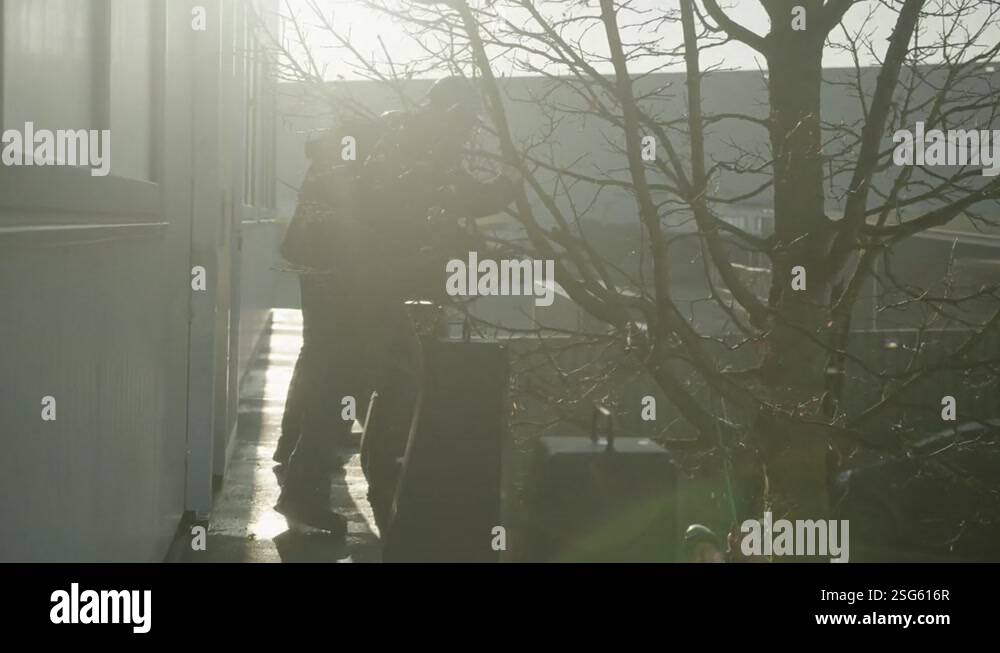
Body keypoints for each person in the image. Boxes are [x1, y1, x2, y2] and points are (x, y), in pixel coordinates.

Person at [274, 76, 520, 535]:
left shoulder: (415, 139)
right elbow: (402, 206)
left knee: (354, 365)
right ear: (447, 116)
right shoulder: (407, 144)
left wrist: (508, 185)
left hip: (343, 267)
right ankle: (333, 480)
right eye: (465, 122)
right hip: (347, 271)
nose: (469, 133)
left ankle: (322, 470)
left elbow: (454, 195)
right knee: (355, 370)